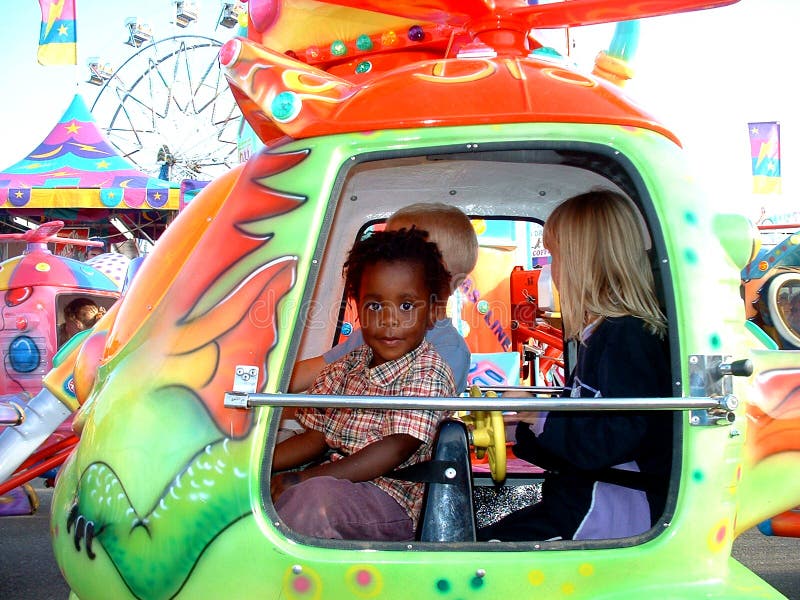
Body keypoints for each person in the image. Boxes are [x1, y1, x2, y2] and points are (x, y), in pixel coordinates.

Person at [478, 189, 672, 542]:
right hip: (582, 495)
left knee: (480, 552)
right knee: (473, 541)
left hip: (612, 506)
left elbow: (612, 439)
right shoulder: (598, 335)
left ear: (583, 261)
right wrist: (517, 433)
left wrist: (536, 415)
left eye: (556, 256)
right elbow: (578, 437)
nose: (551, 269)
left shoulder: (627, 336)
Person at [271, 228, 456, 540]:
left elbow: (394, 449)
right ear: (356, 305)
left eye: (407, 306)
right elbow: (316, 438)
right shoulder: (349, 366)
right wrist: (257, 465)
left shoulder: (429, 371)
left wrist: (305, 478)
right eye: (374, 305)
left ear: (434, 311)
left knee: (314, 501)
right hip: (334, 485)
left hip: (390, 504)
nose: (389, 319)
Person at [289, 202, 478, 394]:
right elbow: (312, 371)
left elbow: (413, 416)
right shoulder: (373, 333)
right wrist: (265, 379)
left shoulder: (448, 349)